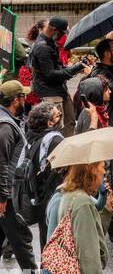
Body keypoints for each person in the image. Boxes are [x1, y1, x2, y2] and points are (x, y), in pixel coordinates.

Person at [50, 159, 111, 274]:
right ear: (92, 170)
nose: (104, 171)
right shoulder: (82, 203)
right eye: (102, 167)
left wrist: (107, 211)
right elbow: (88, 254)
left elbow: (91, 236)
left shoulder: (69, 195)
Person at [28, 16, 93, 134]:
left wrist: (76, 66)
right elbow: (50, 74)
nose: (63, 36)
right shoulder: (42, 47)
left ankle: (66, 148)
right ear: (54, 29)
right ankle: (57, 149)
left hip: (58, 90)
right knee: (55, 127)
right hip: (50, 92)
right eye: (62, 33)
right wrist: (75, 68)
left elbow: (56, 69)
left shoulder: (49, 42)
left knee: (70, 121)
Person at [0, 80, 37, 274]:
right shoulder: (5, 126)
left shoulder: (8, 119)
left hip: (6, 195)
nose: (26, 98)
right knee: (22, 244)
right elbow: (1, 164)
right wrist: (3, 198)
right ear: (16, 100)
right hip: (7, 198)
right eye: (23, 96)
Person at [22, 100, 64, 248]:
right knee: (57, 243)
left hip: (40, 197)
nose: (61, 116)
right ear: (50, 122)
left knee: (45, 240)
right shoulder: (55, 140)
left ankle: (45, 269)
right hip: (55, 197)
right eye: (58, 115)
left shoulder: (31, 138)